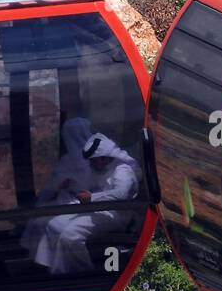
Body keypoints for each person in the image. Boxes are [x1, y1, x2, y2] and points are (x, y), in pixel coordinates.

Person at [21, 117, 140, 273]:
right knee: (53, 225)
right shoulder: (101, 169)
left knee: (69, 236)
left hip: (116, 214)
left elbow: (121, 194)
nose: (90, 164)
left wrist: (92, 197)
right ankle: (48, 269)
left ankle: (82, 271)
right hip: (97, 207)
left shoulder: (122, 170)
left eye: (93, 161)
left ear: (103, 158)